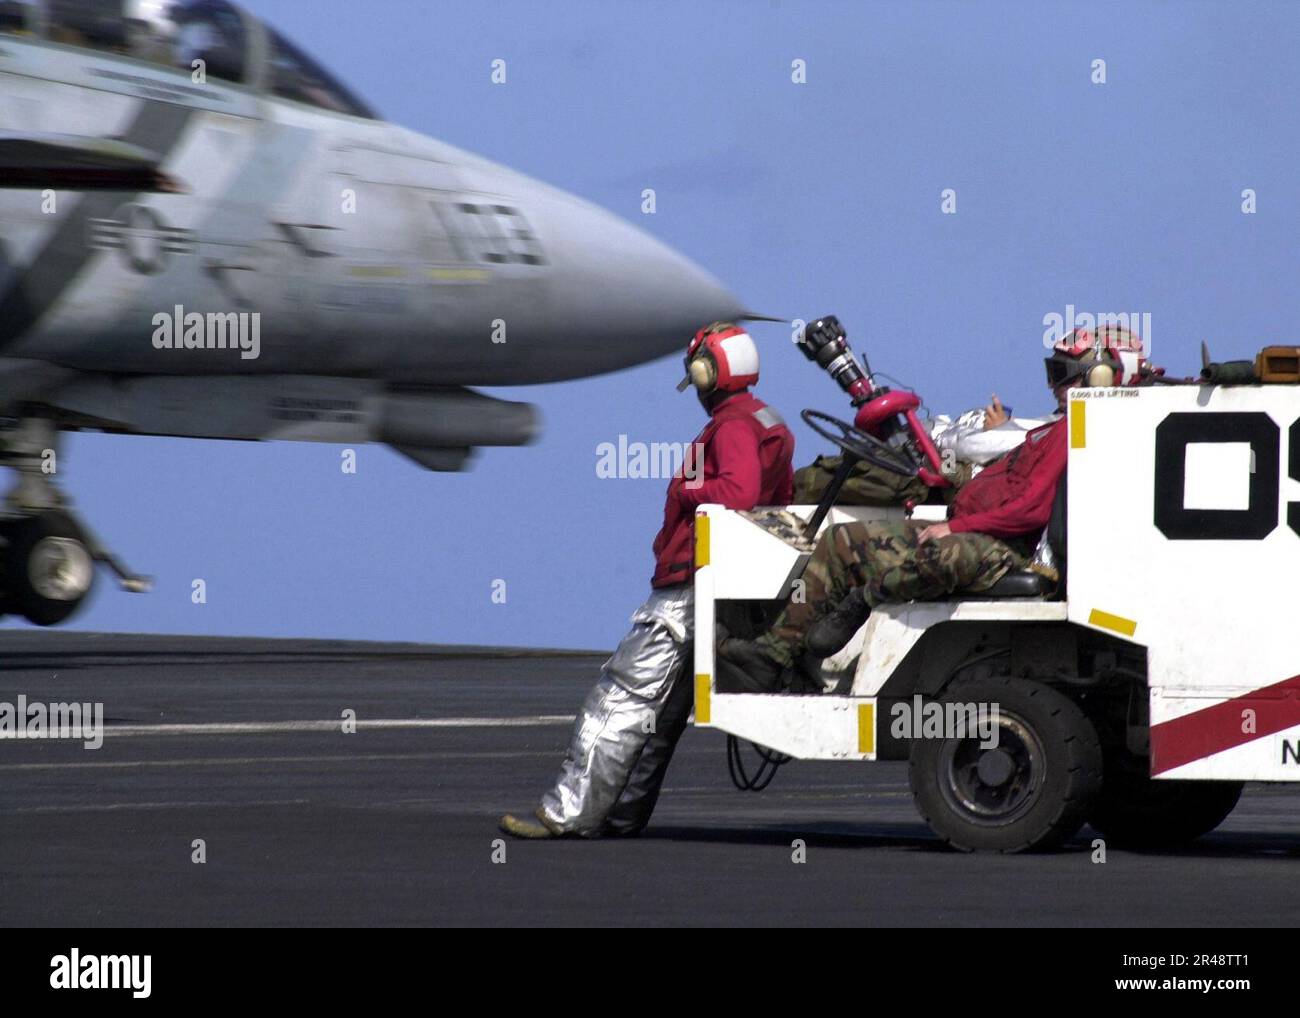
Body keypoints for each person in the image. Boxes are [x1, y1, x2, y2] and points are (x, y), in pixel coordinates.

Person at [499, 322, 795, 838]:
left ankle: (566, 815)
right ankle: (622, 815)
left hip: (692, 581)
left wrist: (686, 494)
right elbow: (778, 498)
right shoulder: (766, 420)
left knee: (620, 699)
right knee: (666, 714)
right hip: (731, 581)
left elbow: (740, 492)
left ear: (707, 373)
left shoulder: (731, 427)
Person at [721, 335, 1123, 686]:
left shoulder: (1075, 433)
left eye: (1063, 373)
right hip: (976, 529)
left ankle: (866, 597)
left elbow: (1031, 511)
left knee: (943, 552)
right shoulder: (1050, 430)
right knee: (841, 539)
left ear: (1097, 378)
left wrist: (959, 525)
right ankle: (774, 655)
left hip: (1008, 547)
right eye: (1053, 372)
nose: (1055, 386)